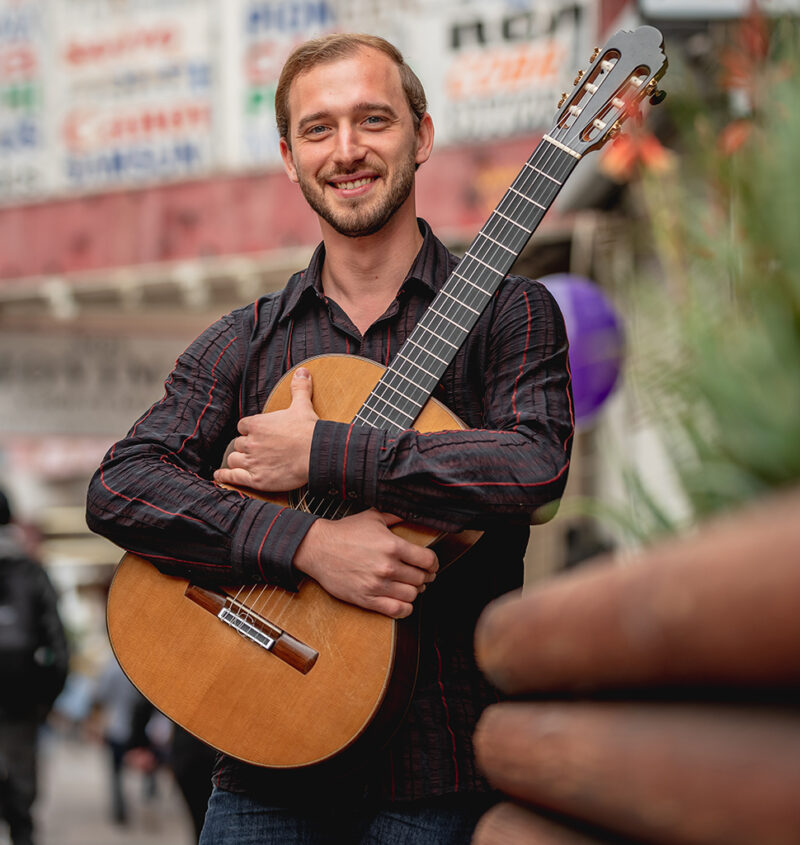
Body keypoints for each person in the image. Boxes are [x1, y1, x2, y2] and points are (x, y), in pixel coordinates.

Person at [85, 33, 574, 844]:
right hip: (260, 764)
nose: (346, 150)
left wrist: (320, 453)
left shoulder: (510, 315)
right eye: (318, 129)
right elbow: (123, 485)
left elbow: (535, 469)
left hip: (438, 776)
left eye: (372, 120)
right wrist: (305, 542)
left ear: (420, 135)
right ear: (289, 155)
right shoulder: (244, 340)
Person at [0, 488, 69, 845]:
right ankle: (21, 827)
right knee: (22, 773)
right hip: (20, 694)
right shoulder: (31, 571)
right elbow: (58, 641)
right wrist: (47, 698)